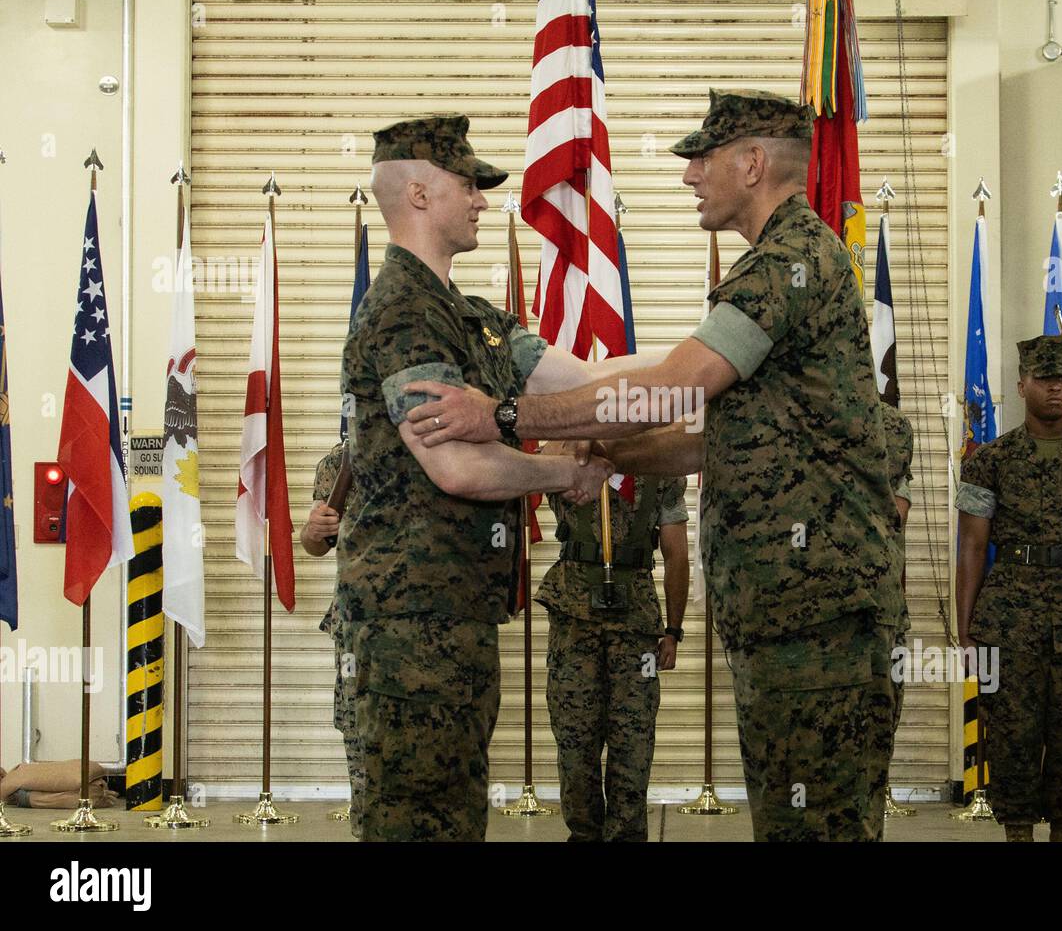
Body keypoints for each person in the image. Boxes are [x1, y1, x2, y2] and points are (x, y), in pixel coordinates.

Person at [401, 89, 905, 841]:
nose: (689, 176)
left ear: (754, 163)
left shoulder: (788, 264)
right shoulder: (787, 260)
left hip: (820, 621)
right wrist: (602, 454)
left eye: (702, 159)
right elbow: (714, 440)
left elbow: (672, 390)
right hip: (798, 617)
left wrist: (504, 413)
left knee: (816, 828)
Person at [338, 114, 628, 841]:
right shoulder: (403, 311)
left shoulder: (471, 320)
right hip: (411, 627)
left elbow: (591, 377)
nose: (481, 199)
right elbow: (458, 466)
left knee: (455, 815)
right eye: (468, 184)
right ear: (418, 192)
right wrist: (561, 474)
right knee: (416, 821)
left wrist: (713, 366)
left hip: (455, 620)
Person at [954, 333, 1062, 842]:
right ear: (1022, 385)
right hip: (1010, 620)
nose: (1056, 389)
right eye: (1045, 379)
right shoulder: (991, 460)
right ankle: (1017, 834)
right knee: (1011, 736)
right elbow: (971, 548)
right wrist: (966, 634)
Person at [536, 473, 689, 841]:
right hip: (574, 620)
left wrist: (673, 630)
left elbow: (677, 555)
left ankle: (625, 837)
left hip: (635, 628)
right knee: (575, 742)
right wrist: (585, 438)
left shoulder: (662, 477)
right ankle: (584, 835)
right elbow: (539, 457)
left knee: (633, 746)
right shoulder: (568, 463)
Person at [299, 441, 363, 836]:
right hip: (356, 621)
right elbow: (315, 545)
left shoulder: (439, 448)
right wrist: (313, 529)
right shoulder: (340, 463)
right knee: (358, 732)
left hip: (429, 625)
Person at [880, 402, 914, 811]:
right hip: (804, 617)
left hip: (879, 612)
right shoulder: (789, 411)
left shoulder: (891, 428)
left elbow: (893, 517)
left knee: (876, 730)